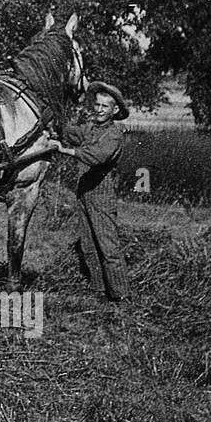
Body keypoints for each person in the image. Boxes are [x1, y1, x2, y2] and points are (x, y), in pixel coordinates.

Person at [51, 81, 132, 302]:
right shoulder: (90, 127)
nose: (98, 109)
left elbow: (96, 157)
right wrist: (55, 117)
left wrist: (64, 149)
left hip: (102, 194)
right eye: (96, 105)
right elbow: (70, 132)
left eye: (104, 107)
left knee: (108, 248)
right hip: (84, 191)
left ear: (115, 110)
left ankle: (121, 297)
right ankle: (99, 291)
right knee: (88, 246)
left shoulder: (114, 134)